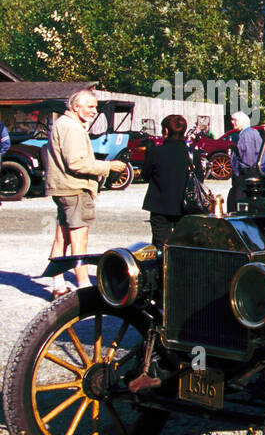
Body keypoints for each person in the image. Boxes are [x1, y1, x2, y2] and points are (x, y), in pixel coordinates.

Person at [44, 90, 129, 296]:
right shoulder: (71, 127)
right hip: (74, 188)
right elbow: (76, 164)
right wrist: (108, 167)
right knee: (78, 239)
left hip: (64, 187)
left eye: (95, 107)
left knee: (62, 237)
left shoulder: (63, 123)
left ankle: (58, 285)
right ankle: (83, 288)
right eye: (90, 106)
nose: (94, 111)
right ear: (76, 107)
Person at [141, 113, 198, 248]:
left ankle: (162, 268)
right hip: (185, 206)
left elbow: (145, 175)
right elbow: (199, 179)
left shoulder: (156, 152)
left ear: (165, 130)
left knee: (161, 245)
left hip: (160, 206)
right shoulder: (192, 154)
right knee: (184, 245)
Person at [228, 110, 262, 206]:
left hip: (245, 176)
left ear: (242, 121)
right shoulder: (253, 132)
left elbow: (249, 160)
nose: (232, 122)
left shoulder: (246, 135)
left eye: (235, 120)